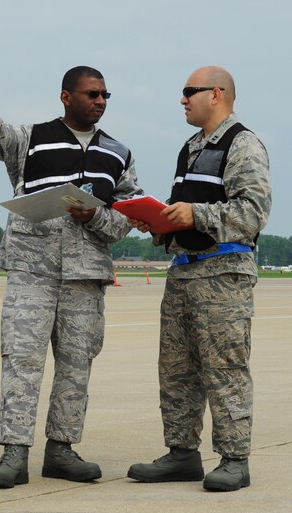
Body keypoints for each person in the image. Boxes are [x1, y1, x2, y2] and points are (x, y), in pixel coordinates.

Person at [0, 67, 142, 488]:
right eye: (92, 94)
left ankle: (61, 449)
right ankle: (13, 453)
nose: (100, 101)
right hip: (32, 269)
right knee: (21, 359)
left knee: (77, 364)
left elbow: (128, 217)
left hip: (86, 273)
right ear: (66, 97)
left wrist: (96, 214)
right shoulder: (30, 138)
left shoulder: (119, 153)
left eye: (105, 95)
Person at [126, 66, 271, 492]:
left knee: (224, 367)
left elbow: (253, 212)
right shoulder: (190, 148)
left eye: (190, 91)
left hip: (223, 275)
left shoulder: (243, 144)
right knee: (175, 370)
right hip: (182, 272)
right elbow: (183, 213)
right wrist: (157, 222)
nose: (183, 99)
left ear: (218, 93)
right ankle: (181, 454)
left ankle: (234, 459)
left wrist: (197, 213)